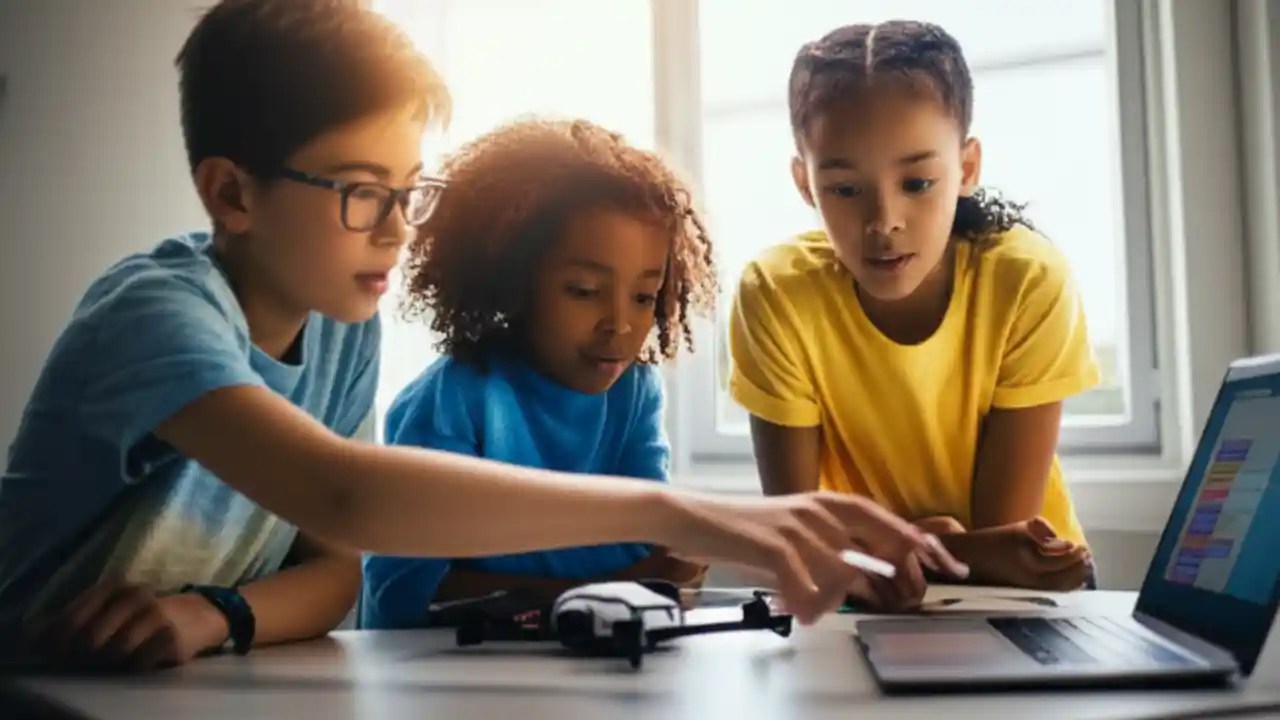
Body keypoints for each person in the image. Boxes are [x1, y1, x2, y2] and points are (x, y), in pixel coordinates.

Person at [0, 1, 964, 671]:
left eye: (407, 189)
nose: (397, 226)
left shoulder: (340, 329)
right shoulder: (155, 316)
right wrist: (688, 515)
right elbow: (349, 498)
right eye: (359, 192)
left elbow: (333, 569)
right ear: (231, 193)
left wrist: (210, 615)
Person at [729, 20, 1095, 607]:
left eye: (918, 182)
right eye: (846, 190)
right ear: (804, 181)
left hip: (1031, 593)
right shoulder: (775, 293)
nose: (883, 222)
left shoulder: (1026, 279)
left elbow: (1006, 551)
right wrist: (936, 544)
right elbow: (795, 544)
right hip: (869, 596)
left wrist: (895, 548)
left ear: (967, 169)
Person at [362, 118, 720, 628]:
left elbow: (656, 548)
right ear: (514, 277)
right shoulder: (454, 401)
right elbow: (404, 598)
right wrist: (608, 585)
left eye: (644, 297)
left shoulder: (634, 391)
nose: (619, 324)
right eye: (583, 290)